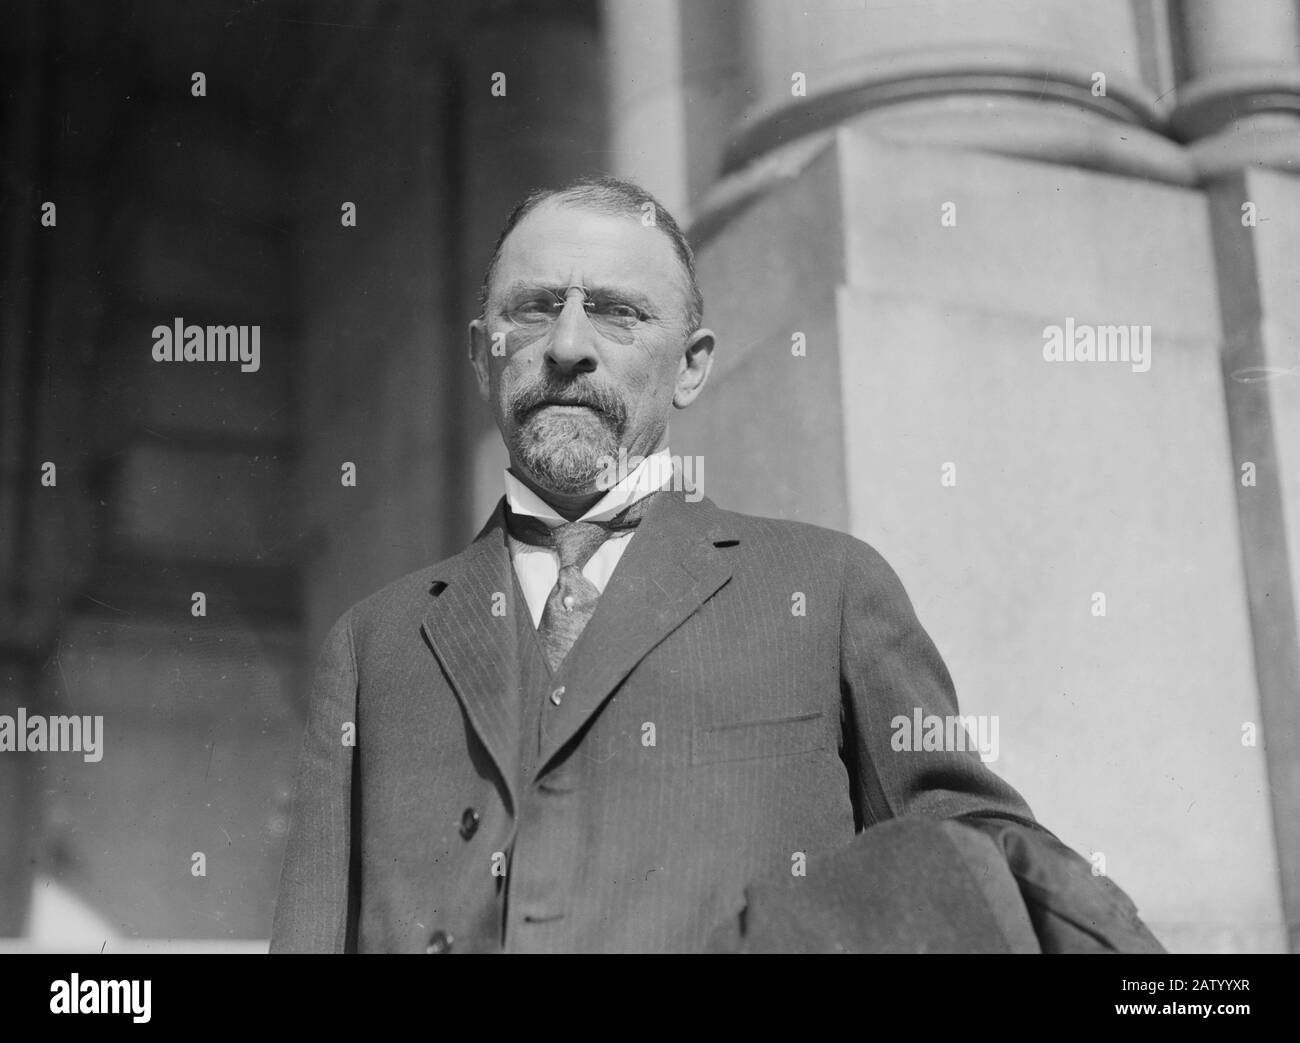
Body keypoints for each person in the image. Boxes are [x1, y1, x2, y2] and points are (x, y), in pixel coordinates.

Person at [270, 176, 1163, 954]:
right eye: (535, 307)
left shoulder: (830, 587)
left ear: (692, 367)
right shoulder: (373, 644)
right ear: (481, 352)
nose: (569, 343)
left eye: (619, 311)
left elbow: (991, 866)